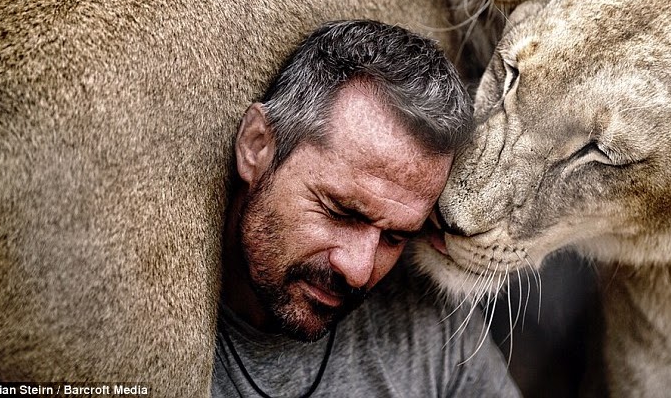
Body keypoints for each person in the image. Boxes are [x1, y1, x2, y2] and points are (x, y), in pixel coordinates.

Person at [212, 20, 521, 397]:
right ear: (257, 146)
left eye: (393, 238)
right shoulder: (147, 331)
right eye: (341, 212)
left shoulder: (429, 328)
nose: (358, 271)